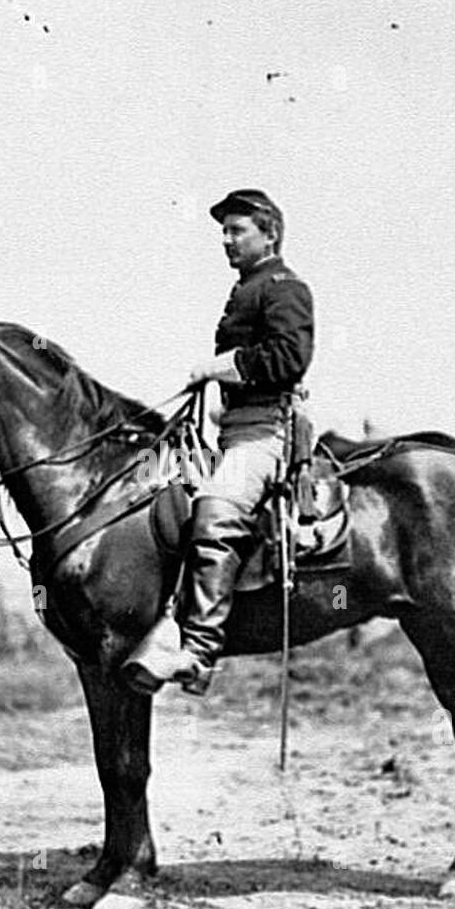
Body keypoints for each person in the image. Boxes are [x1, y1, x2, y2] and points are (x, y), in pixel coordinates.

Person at [124, 189, 314, 694]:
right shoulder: (248, 288)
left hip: (265, 433)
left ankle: (198, 651)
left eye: (237, 230)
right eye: (223, 232)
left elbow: (288, 358)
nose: (226, 241)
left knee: (215, 507)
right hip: (231, 429)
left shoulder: (283, 287)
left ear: (269, 232)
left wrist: (217, 367)